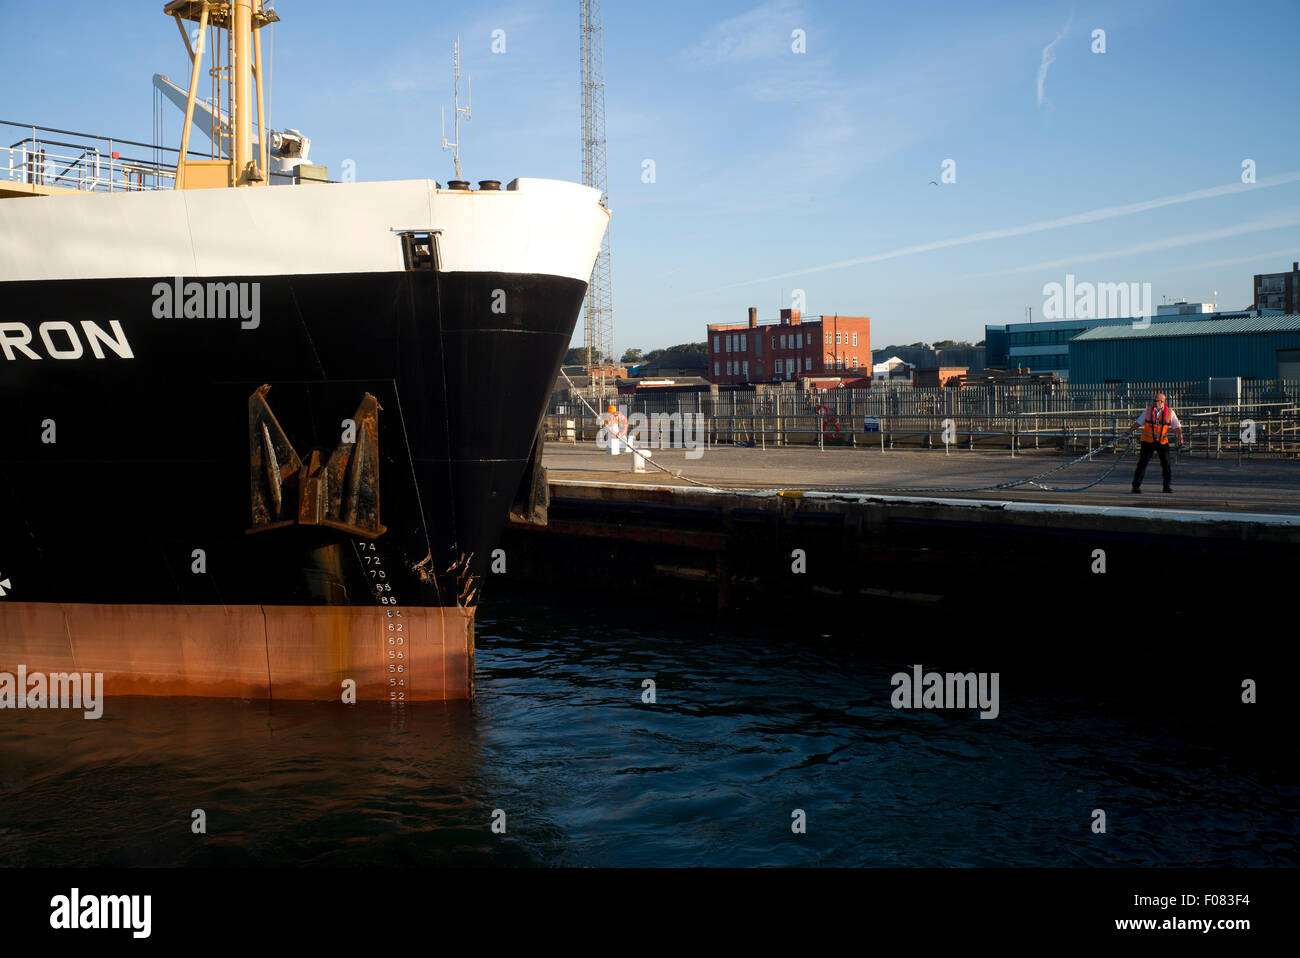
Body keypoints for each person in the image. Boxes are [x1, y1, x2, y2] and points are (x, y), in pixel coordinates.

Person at [1127, 392, 1183, 493]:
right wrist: (1128, 432)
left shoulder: (1170, 412)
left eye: (1155, 400)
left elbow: (1177, 426)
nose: (1153, 402)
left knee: (1166, 464)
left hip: (1162, 442)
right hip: (1148, 442)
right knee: (1142, 464)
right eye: (1153, 400)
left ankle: (1167, 486)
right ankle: (1135, 486)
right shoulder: (1148, 411)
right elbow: (1138, 423)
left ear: (1162, 402)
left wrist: (1180, 437)